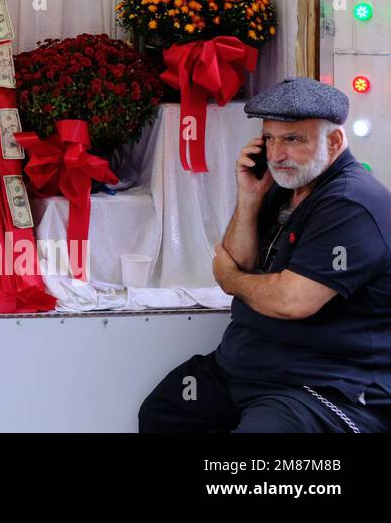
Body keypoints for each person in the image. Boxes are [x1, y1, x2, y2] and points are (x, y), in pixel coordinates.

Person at [139, 77, 391, 432]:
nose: (276, 155)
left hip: (319, 384)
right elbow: (239, 259)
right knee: (167, 410)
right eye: (270, 139)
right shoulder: (287, 183)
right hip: (243, 368)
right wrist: (249, 196)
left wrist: (231, 280)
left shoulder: (350, 203)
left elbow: (291, 300)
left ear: (333, 142)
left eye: (292, 139)